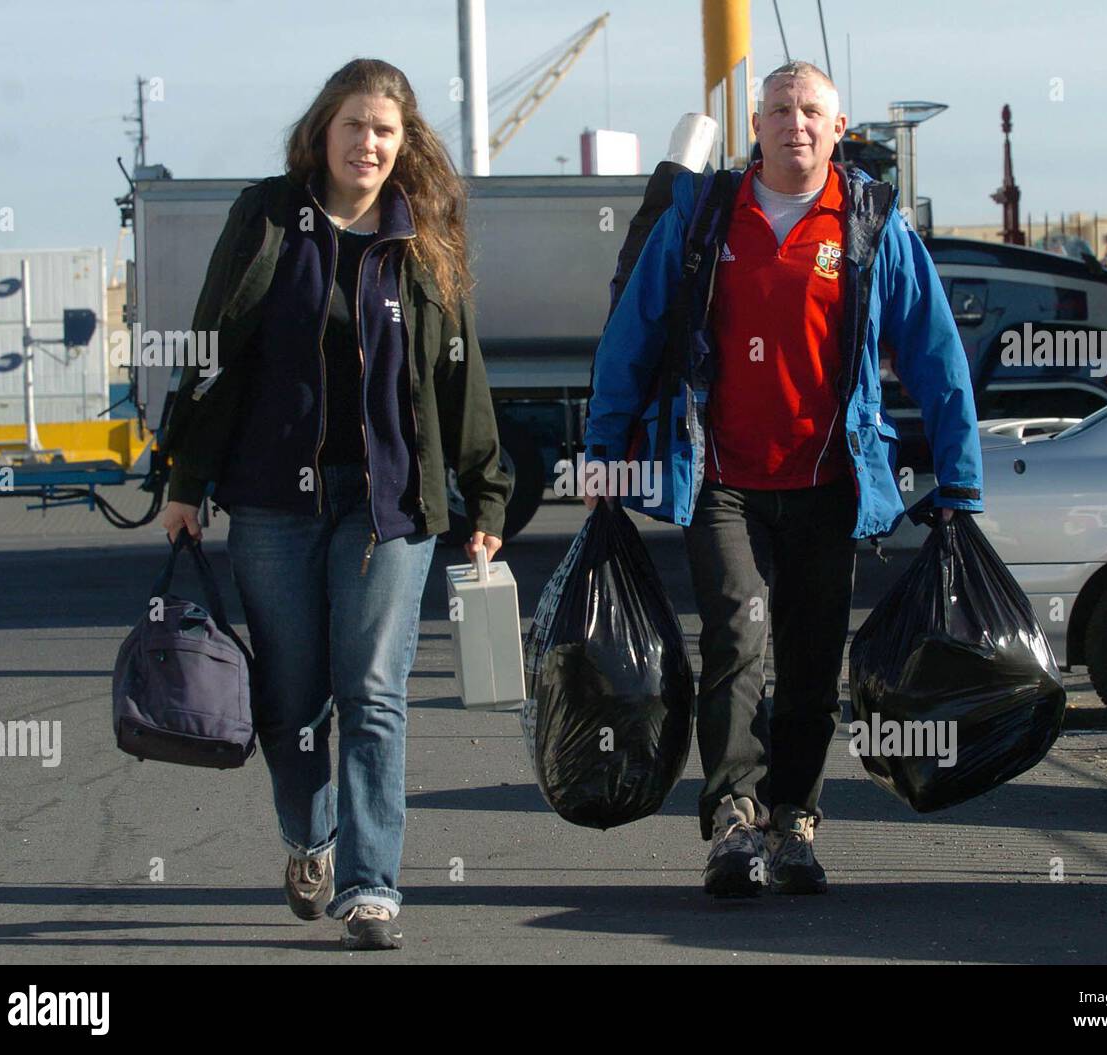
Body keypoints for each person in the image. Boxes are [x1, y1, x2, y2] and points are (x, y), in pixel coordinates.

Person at [582, 61, 983, 897]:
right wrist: (602, 449)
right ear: (753, 127)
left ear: (840, 130)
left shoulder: (871, 224)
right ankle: (733, 818)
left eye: (811, 112)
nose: (793, 123)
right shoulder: (704, 218)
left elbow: (938, 357)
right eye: (777, 110)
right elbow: (634, 334)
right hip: (721, 478)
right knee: (737, 638)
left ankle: (795, 818)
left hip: (828, 481)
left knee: (808, 660)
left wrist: (959, 483)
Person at [158, 59, 511, 948]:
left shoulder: (423, 232)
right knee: (290, 698)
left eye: (385, 130)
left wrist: (487, 491)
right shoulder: (271, 219)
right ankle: (309, 837)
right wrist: (185, 481)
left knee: (374, 690)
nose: (369, 143)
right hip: (275, 496)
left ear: (404, 142)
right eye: (354, 125)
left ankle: (370, 885)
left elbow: (460, 369)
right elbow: (214, 346)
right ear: (323, 130)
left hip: (389, 502)